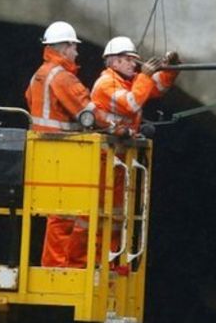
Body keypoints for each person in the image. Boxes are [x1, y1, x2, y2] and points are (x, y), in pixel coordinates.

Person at [62, 36, 180, 268]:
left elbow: (157, 87)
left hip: (120, 160)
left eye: (134, 60)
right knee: (90, 216)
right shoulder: (106, 84)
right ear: (113, 62)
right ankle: (76, 262)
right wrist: (145, 76)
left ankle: (108, 260)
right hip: (103, 159)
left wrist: (171, 69)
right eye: (127, 60)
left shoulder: (131, 80)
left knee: (116, 217)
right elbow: (132, 103)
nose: (133, 65)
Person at [24, 21, 113, 267]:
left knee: (58, 212)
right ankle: (63, 265)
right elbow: (88, 111)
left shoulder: (38, 76)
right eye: (74, 47)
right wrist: (118, 128)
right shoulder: (62, 77)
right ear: (64, 48)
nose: (76, 52)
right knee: (67, 214)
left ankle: (56, 262)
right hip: (65, 153)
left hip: (43, 154)